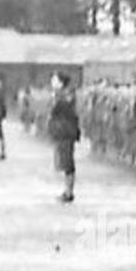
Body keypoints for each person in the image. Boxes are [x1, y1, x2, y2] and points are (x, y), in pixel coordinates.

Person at [47, 72, 80, 203]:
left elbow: (63, 110)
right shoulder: (59, 95)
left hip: (66, 131)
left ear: (60, 83)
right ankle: (67, 190)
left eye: (54, 80)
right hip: (62, 131)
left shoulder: (66, 95)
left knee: (68, 163)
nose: (52, 82)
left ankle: (69, 192)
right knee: (65, 162)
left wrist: (55, 98)